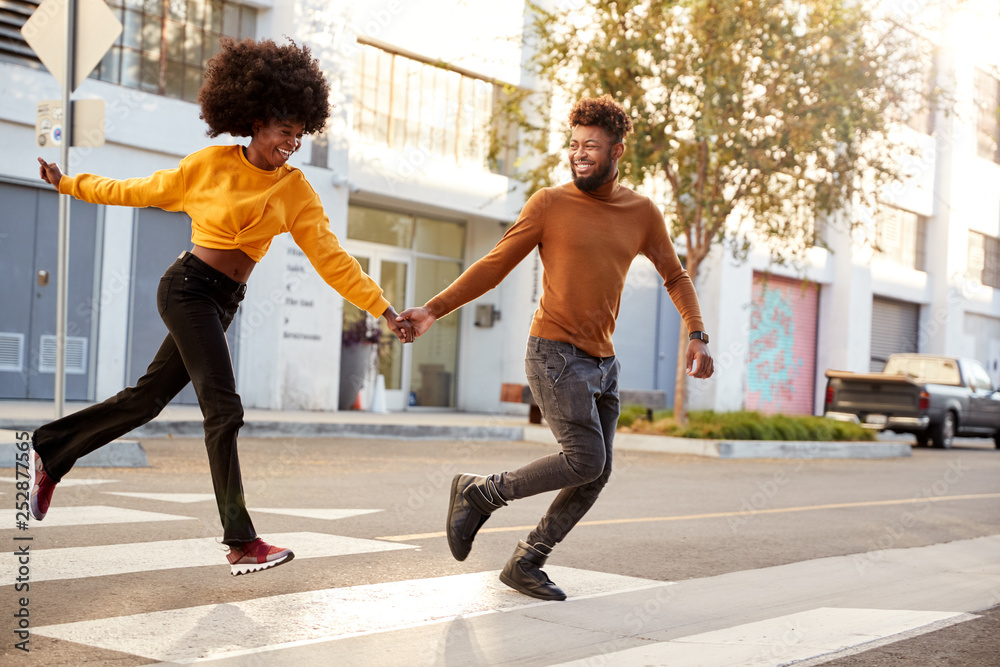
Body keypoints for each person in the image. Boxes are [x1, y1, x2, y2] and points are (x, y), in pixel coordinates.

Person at [30, 37, 413, 576]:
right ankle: (240, 541)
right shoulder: (208, 166)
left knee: (144, 401)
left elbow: (331, 258)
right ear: (256, 120)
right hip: (186, 288)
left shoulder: (295, 191)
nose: (292, 143)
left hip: (223, 301)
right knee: (224, 410)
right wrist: (71, 184)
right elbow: (138, 189)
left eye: (300, 135)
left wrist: (384, 308)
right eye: (286, 132)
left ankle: (49, 448)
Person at [398, 95, 714, 601]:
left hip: (603, 364)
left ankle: (527, 560)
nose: (580, 153)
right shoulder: (549, 203)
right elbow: (496, 263)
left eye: (592, 145)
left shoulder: (642, 212)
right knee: (586, 458)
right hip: (554, 352)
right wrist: (434, 309)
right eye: (574, 145)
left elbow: (674, 275)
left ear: (617, 150)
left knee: (597, 471)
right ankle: (482, 493)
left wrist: (696, 332)